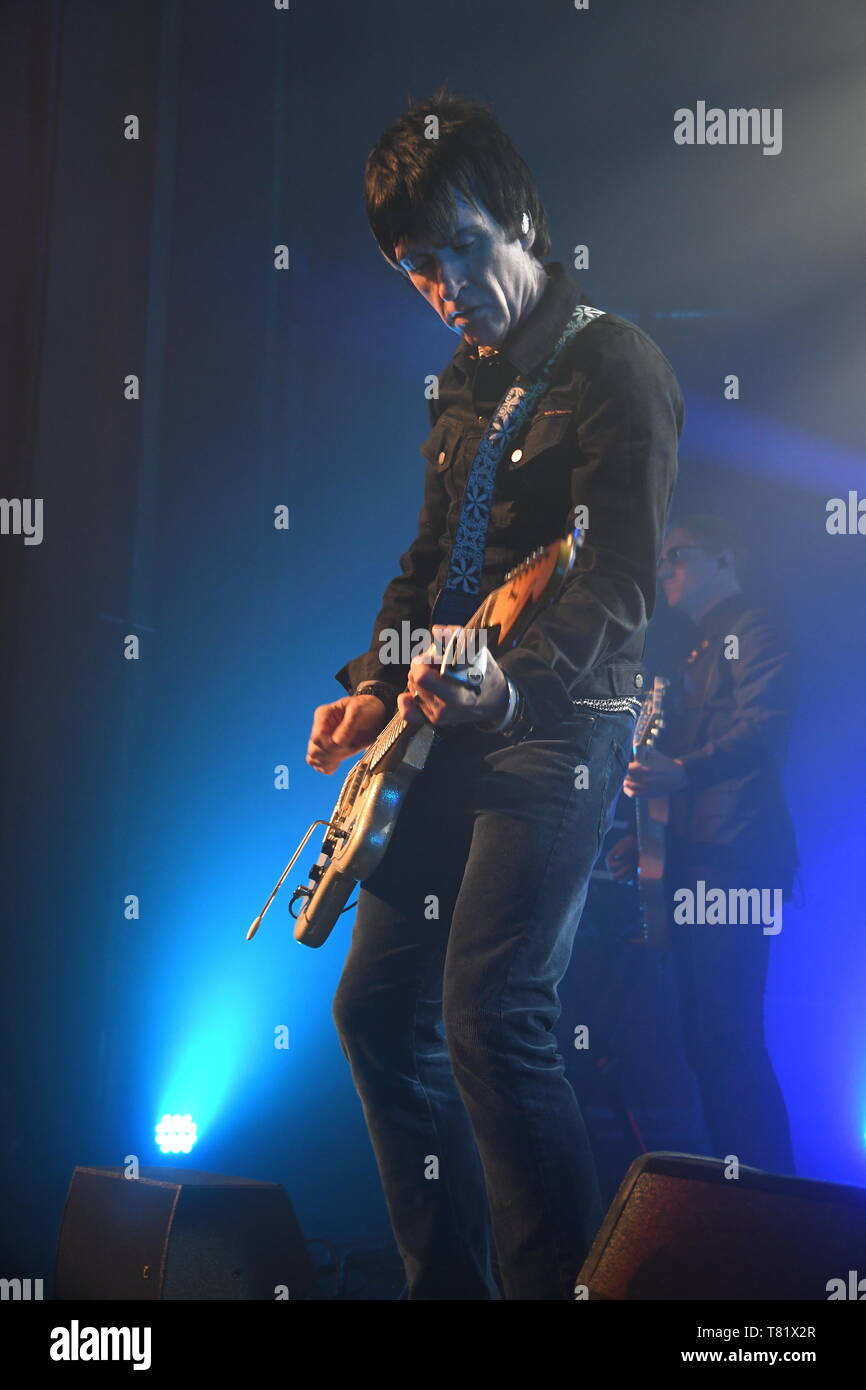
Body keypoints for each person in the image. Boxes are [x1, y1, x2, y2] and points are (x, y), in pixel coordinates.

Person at [305, 90, 683, 1299]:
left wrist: (508, 696)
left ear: (516, 212)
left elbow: (622, 581)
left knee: (491, 1016)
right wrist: (372, 687)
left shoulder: (615, 360)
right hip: (439, 732)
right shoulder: (461, 385)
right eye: (416, 270)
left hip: (559, 730)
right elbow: (427, 569)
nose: (443, 285)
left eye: (457, 249)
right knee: (371, 1010)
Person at [607, 515, 798, 1175]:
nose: (663, 572)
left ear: (724, 557)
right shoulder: (696, 649)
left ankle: (772, 1206)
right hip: (696, 863)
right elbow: (677, 763)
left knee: (729, 1036)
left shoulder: (754, 629)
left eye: (677, 557)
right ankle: (743, 1194)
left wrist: (680, 772)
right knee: (704, 1038)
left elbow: (766, 726)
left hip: (736, 864)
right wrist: (643, 842)